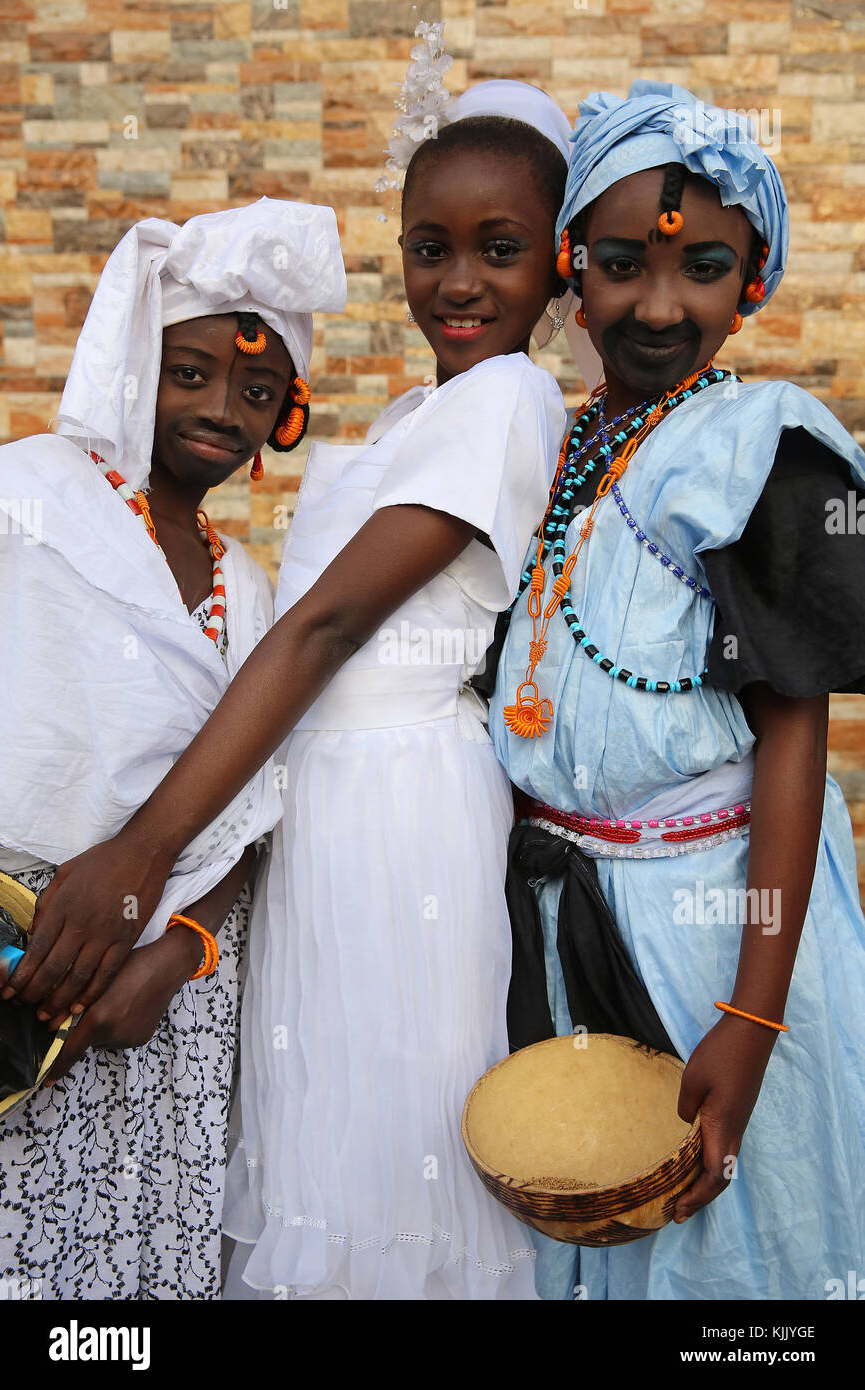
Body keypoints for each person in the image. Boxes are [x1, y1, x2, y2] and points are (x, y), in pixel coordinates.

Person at [3, 57, 575, 1296]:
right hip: (299, 817)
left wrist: (142, 856)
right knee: (301, 1142)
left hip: (393, 819)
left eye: (501, 248)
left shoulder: (512, 402)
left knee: (380, 1150)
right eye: (430, 246)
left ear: (557, 266)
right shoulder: (414, 421)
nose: (460, 280)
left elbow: (319, 634)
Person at [487, 81, 865, 1300]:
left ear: (750, 282)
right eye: (617, 264)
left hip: (718, 935)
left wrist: (750, 1021)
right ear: (570, 270)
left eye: (704, 267)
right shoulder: (553, 446)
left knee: (729, 1253)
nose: (657, 305)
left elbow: (790, 743)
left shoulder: (757, 447)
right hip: (562, 922)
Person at [0, 197, 346, 1299]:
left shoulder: (255, 593)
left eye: (257, 392)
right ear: (130, 366)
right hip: (22, 948)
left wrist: (179, 949)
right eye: (188, 373)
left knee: (137, 1255)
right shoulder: (30, 498)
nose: (219, 409)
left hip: (164, 996)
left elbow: (251, 805)